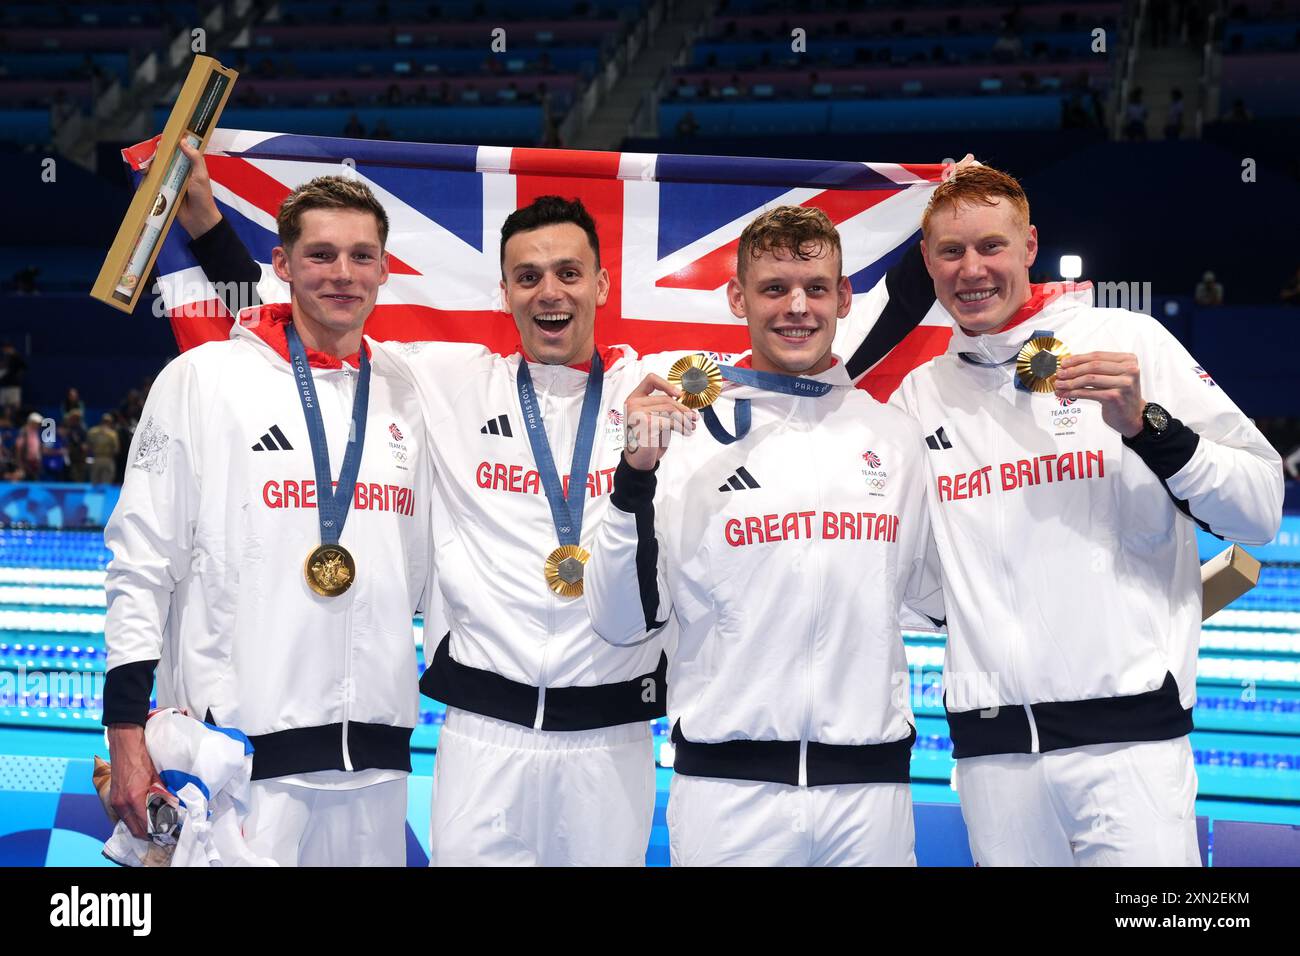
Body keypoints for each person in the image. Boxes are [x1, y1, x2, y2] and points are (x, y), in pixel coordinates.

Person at [174, 141, 945, 865]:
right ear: (503, 289)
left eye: (571, 273)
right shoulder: (445, 381)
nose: (552, 292)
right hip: (482, 740)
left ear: (603, 284)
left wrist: (941, 228)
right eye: (531, 275)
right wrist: (208, 226)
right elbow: (318, 315)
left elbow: (822, 343)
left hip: (611, 744)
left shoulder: (665, 388)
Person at [890, 165, 1283, 866]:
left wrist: (1147, 426)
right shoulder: (921, 397)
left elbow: (1258, 508)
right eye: (950, 252)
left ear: (1030, 245)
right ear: (926, 261)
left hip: (1130, 746)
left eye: (991, 246)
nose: (971, 269)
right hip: (993, 757)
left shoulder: (1127, 343)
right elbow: (910, 574)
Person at [585, 207, 944, 866]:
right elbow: (618, 617)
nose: (796, 307)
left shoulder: (893, 438)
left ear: (843, 298)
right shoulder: (682, 436)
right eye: (774, 288)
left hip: (868, 799)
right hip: (727, 798)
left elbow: (940, 598)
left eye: (814, 288)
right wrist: (633, 478)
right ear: (737, 298)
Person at [103, 174, 433, 866]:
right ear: (280, 265)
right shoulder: (201, 380)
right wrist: (125, 732)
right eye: (319, 255)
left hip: (375, 768)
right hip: (238, 771)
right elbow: (140, 562)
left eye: (361, 256)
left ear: (384, 267)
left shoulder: (412, 388)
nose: (342, 274)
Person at [87, 412, 121, 484]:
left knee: (95, 482)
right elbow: (116, 450)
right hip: (108, 459)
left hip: (96, 458)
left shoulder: (92, 432)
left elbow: (88, 446)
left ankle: (95, 495)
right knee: (106, 482)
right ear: (111, 422)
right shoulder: (112, 434)